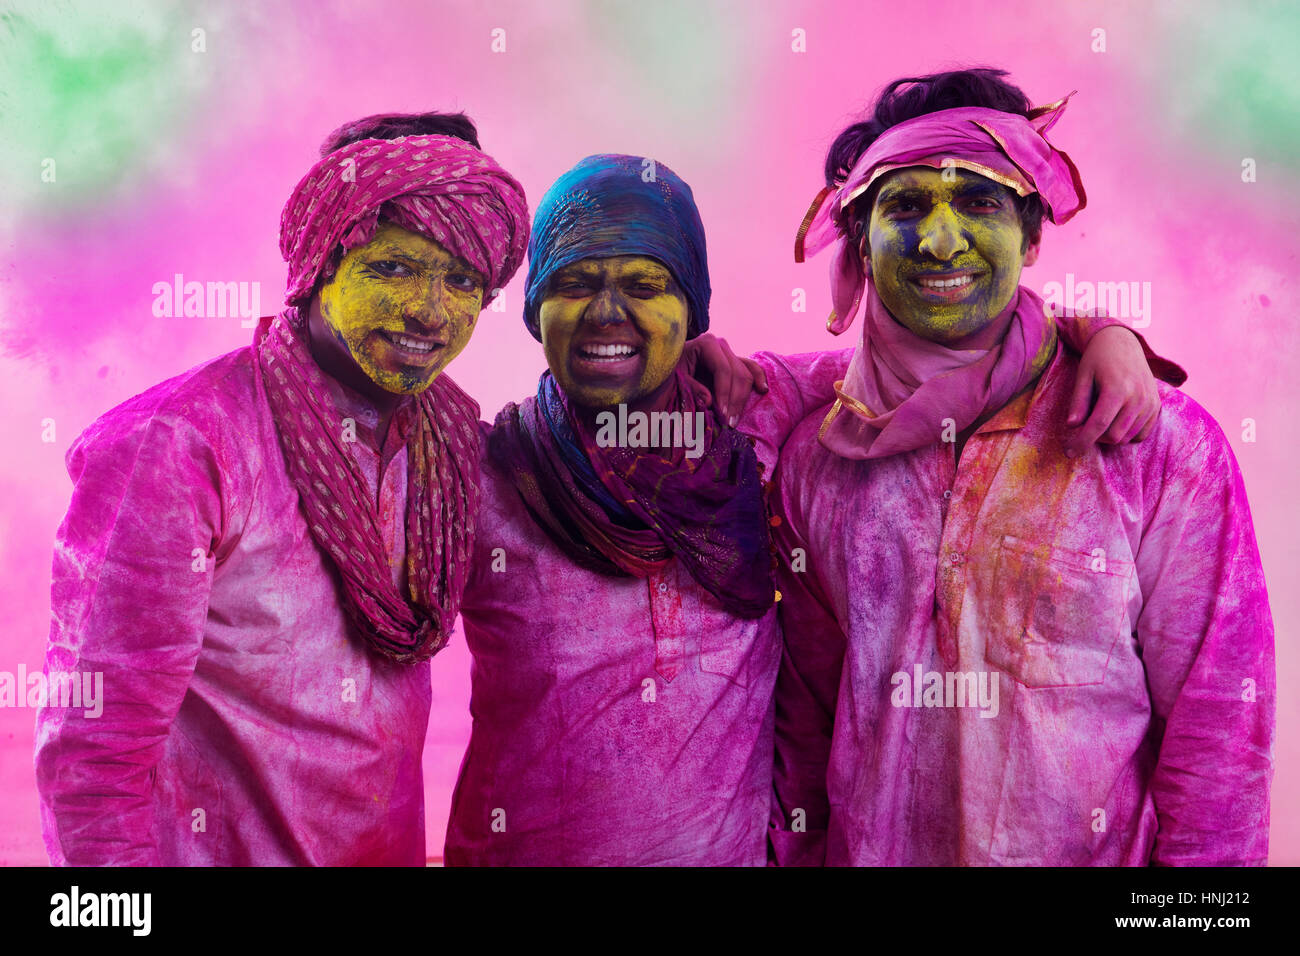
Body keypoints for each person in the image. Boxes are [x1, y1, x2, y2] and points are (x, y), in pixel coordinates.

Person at [445, 152, 1168, 866]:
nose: (610, 313)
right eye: (573, 283)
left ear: (692, 309)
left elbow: (948, 364)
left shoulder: (753, 420)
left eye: (645, 284)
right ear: (535, 306)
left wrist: (1097, 332)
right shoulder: (482, 475)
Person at [771, 69, 1274, 866]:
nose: (942, 240)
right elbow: (805, 721)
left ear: (1033, 236)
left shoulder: (1153, 442)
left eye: (980, 202)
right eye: (905, 206)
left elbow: (1220, 727)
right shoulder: (815, 463)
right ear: (859, 241)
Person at [34, 111, 529, 865]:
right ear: (318, 263)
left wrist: (708, 370)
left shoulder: (452, 449)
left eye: (462, 278)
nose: (432, 310)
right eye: (392, 267)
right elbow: (93, 751)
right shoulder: (176, 445)